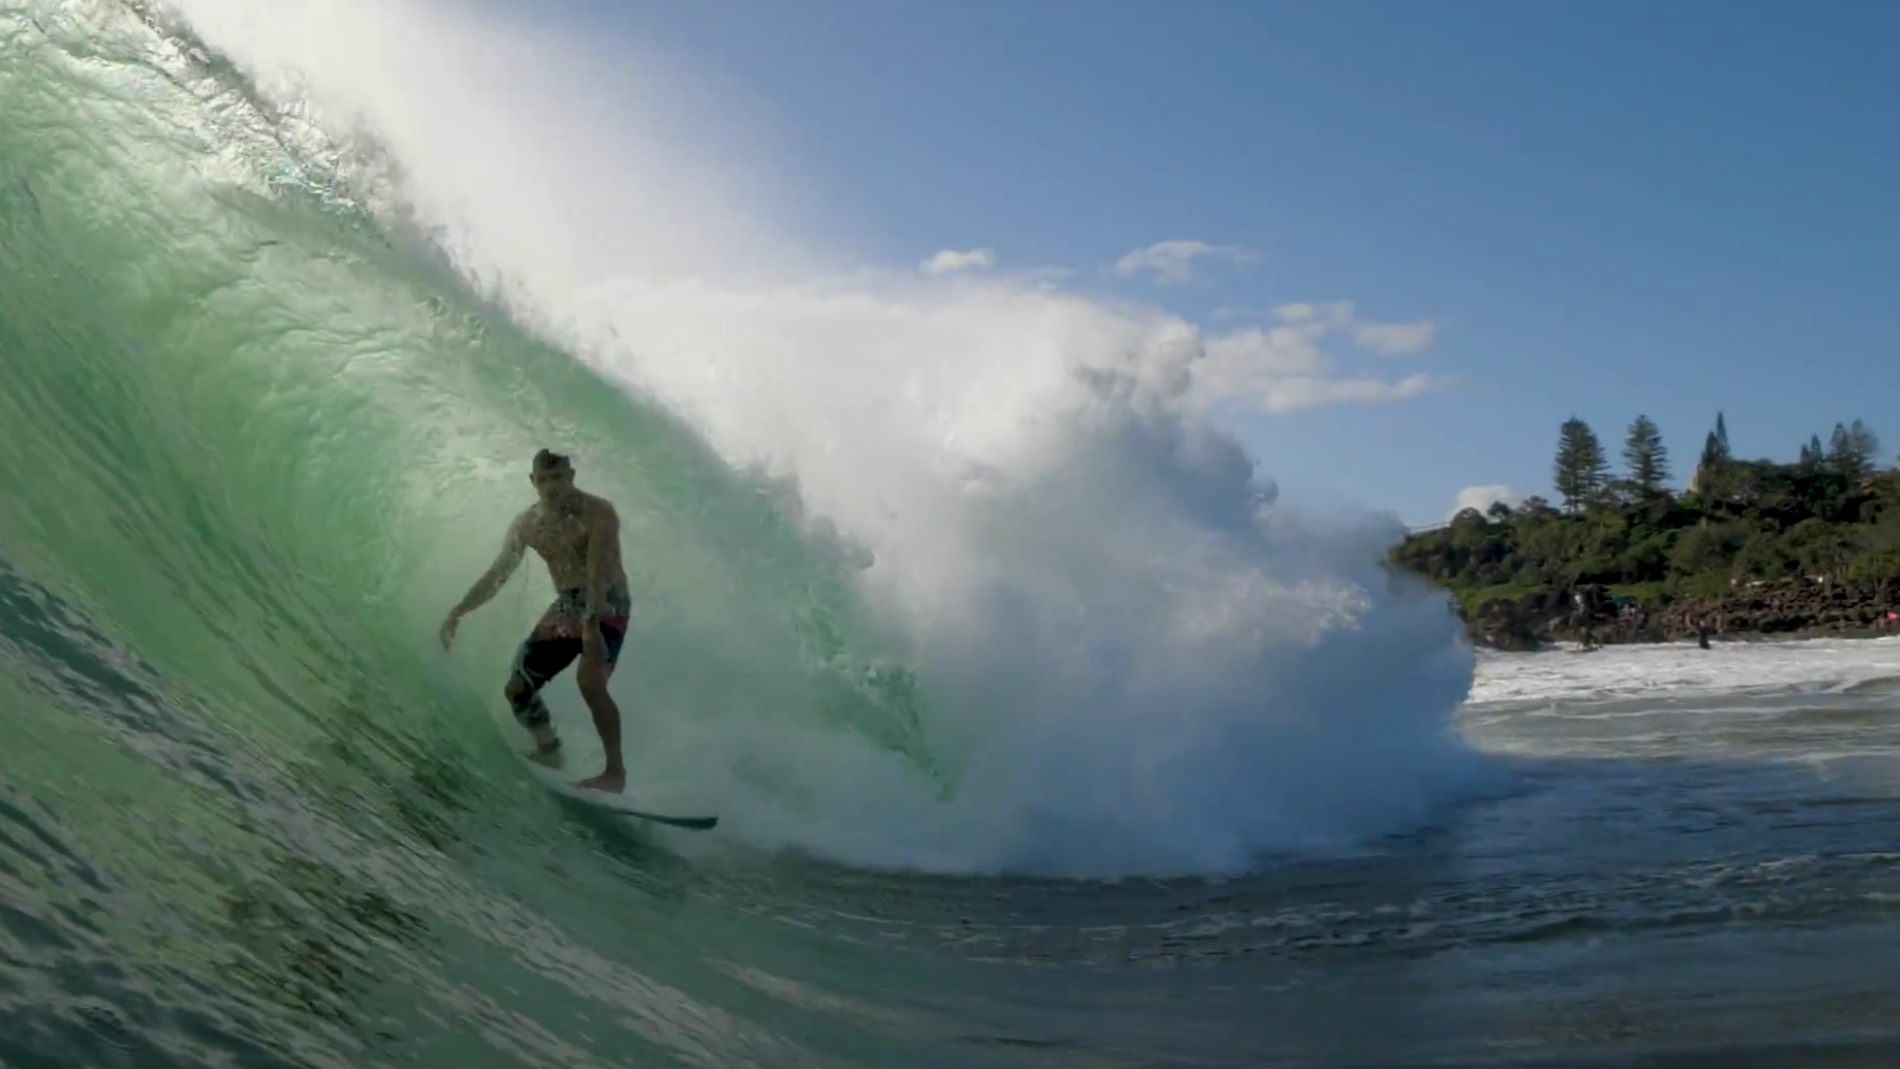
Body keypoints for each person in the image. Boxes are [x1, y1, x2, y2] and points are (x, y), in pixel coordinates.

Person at [439, 449, 632, 793]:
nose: (551, 487)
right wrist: (458, 611)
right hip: (568, 605)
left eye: (557, 478)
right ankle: (549, 750)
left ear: (571, 477)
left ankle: (614, 774)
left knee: (590, 682)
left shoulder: (598, 513)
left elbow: (598, 573)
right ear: (533, 481)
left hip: (608, 603)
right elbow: (498, 574)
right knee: (517, 689)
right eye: (543, 480)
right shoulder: (528, 525)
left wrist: (591, 627)